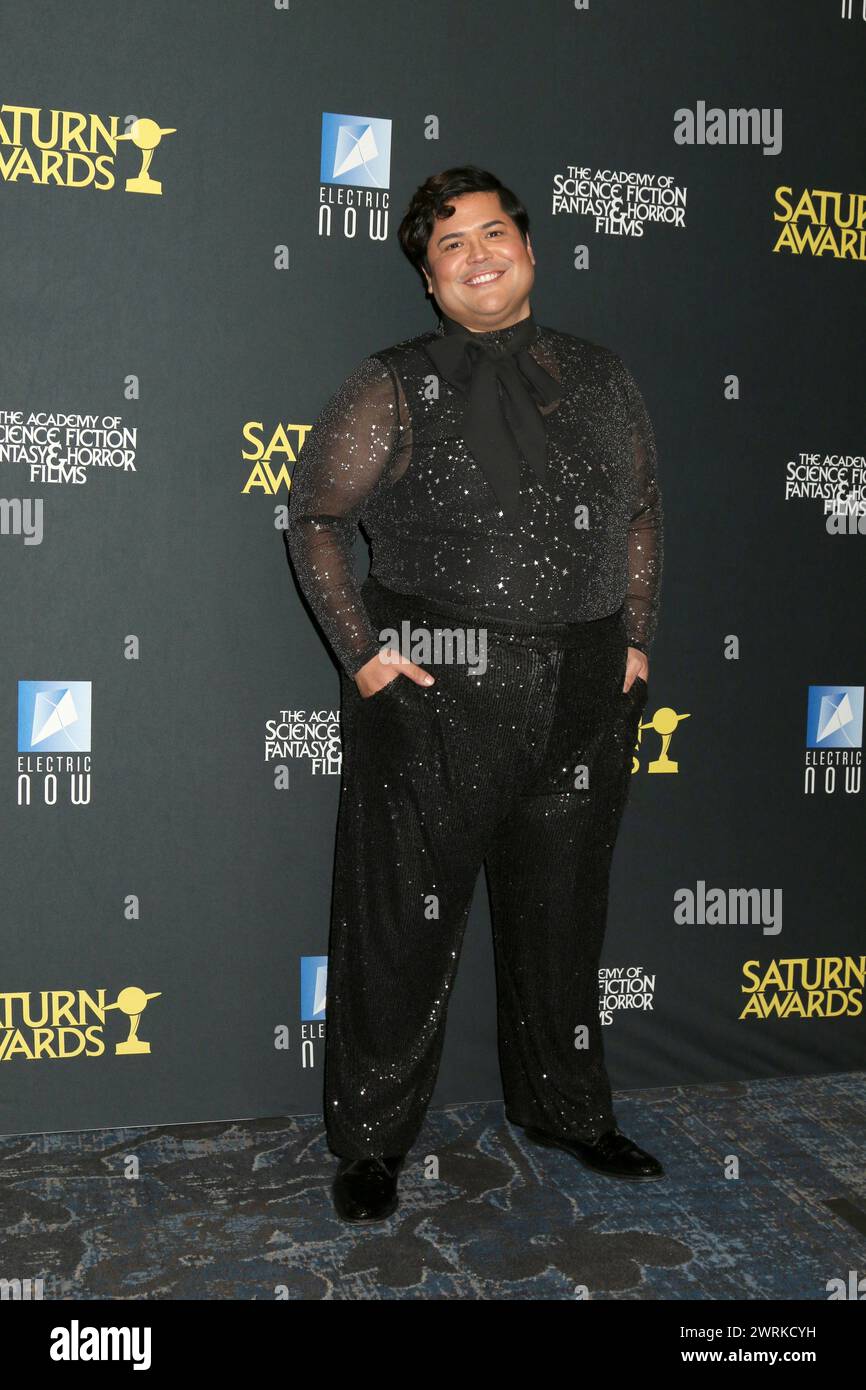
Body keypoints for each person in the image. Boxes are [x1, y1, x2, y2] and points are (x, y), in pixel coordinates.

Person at [286, 165, 665, 1223]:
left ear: (531, 250)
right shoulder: (391, 381)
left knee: (561, 917)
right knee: (397, 928)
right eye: (448, 244)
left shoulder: (601, 375)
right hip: (440, 691)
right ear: (428, 278)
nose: (476, 253)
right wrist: (363, 655)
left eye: (492, 232)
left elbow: (641, 513)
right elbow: (312, 518)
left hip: (587, 689)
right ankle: (368, 1142)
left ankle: (566, 1107)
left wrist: (634, 642)